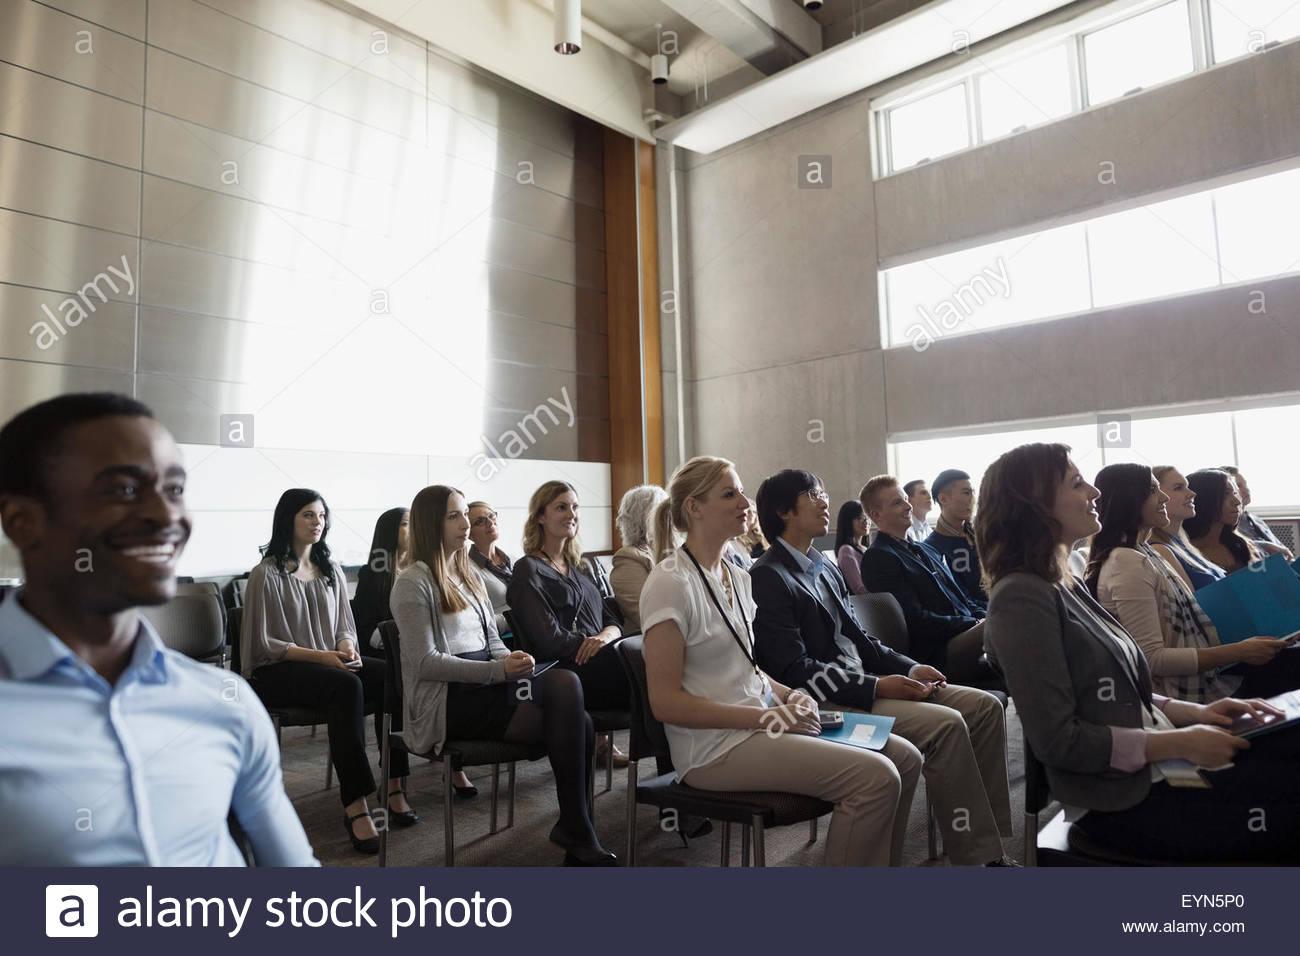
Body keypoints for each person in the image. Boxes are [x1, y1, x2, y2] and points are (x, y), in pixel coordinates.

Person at [0, 392, 316, 865]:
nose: (167, 517)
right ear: (23, 522)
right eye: (124, 491)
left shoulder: (224, 702)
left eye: (173, 490)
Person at [977, 442, 1300, 862]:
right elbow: (1059, 742)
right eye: (1078, 484)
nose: (1094, 493)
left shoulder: (1062, 582)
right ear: (1033, 505)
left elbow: (1128, 689)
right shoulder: (1021, 596)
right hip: (1122, 800)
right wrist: (1175, 743)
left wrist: (1197, 714)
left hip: (1160, 765)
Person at [640, 456, 920, 866]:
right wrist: (767, 718)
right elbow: (665, 703)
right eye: (729, 493)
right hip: (715, 748)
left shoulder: (736, 574)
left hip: (764, 723)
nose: (744, 502)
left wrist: (792, 696)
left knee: (905, 757)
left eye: (741, 491)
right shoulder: (669, 583)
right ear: (694, 508)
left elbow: (747, 667)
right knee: (876, 778)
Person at [750, 470, 1014, 866]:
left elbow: (862, 640)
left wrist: (910, 668)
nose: (825, 500)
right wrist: (877, 686)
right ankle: (979, 856)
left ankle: (981, 835)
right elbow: (796, 671)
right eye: (812, 494)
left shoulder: (823, 565)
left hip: (866, 681)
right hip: (831, 701)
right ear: (783, 511)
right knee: (946, 726)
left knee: (984, 708)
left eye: (823, 491)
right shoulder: (769, 576)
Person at [391, 485, 616, 865]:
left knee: (579, 714)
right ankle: (578, 832)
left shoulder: (468, 574)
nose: (465, 523)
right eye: (454, 516)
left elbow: (493, 642)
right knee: (570, 697)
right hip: (450, 699)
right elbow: (425, 662)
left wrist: (515, 659)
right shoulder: (412, 582)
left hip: (489, 686)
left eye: (465, 514)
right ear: (432, 523)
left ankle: (578, 832)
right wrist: (498, 669)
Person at [241, 488, 414, 854]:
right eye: (307, 514)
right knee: (346, 686)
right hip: (277, 671)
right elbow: (264, 644)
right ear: (287, 518)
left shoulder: (331, 569)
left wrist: (347, 647)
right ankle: (356, 804)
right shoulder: (266, 573)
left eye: (321, 515)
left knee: (389, 675)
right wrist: (324, 658)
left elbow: (344, 628)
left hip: (328, 665)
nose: (316, 522)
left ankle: (395, 782)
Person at [1085, 463, 1300, 702]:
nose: (1164, 498)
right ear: (1130, 500)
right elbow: (1153, 659)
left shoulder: (1146, 553)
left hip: (1214, 679)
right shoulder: (1127, 562)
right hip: (1196, 694)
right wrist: (1241, 651)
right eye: (1155, 490)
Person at [506, 480, 630, 729]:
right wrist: (591, 645)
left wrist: (604, 639)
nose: (572, 514)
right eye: (562, 507)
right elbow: (549, 639)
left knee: (652, 654)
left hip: (602, 659)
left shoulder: (580, 566)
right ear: (540, 516)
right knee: (651, 673)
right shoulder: (528, 569)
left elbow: (613, 619)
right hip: (566, 672)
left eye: (575, 507)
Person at [859, 475, 997, 688]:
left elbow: (961, 598)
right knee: (1006, 619)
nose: (907, 506)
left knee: (1008, 624)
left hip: (963, 631)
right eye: (897, 502)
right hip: (939, 649)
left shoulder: (926, 549)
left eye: (905, 499)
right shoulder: (879, 557)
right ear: (876, 515)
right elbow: (916, 620)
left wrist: (980, 616)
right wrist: (974, 623)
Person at [1147, 466, 1225, 590]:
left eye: (1187, 487)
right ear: (1157, 495)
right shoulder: (1160, 550)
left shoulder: (1182, 544)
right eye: (1178, 488)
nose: (1192, 493)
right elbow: (1193, 605)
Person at [923, 469, 987, 610]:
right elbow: (959, 599)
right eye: (966, 493)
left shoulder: (982, 536)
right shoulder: (931, 549)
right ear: (943, 499)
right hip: (978, 618)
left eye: (973, 492)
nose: (973, 499)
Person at [610, 484, 667, 631]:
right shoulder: (628, 559)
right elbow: (649, 616)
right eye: (663, 512)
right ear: (645, 517)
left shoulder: (672, 552)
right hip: (653, 643)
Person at [1183, 469, 1262, 574]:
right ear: (1204, 499)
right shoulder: (1188, 553)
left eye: (1234, 493)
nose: (1237, 501)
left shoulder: (1239, 544)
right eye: (1226, 494)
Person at [353, 507, 409, 653]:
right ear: (389, 531)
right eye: (405, 524)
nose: (414, 529)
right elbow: (368, 629)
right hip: (386, 649)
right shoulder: (370, 574)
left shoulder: (420, 571)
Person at [1221, 466, 1293, 559]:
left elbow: (1282, 549)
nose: (1246, 489)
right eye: (1238, 486)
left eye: (1245, 484)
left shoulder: (1256, 519)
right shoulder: (1228, 522)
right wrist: (1265, 547)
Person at [467, 501, 512, 637]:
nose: (490, 523)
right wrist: (517, 619)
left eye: (491, 516)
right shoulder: (467, 569)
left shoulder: (515, 560)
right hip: (502, 641)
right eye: (480, 521)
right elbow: (477, 622)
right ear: (469, 533)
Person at [833, 500, 870, 595]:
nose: (866, 521)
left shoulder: (866, 548)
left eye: (867, 517)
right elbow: (859, 589)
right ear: (848, 521)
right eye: (860, 518)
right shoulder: (846, 551)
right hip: (869, 604)